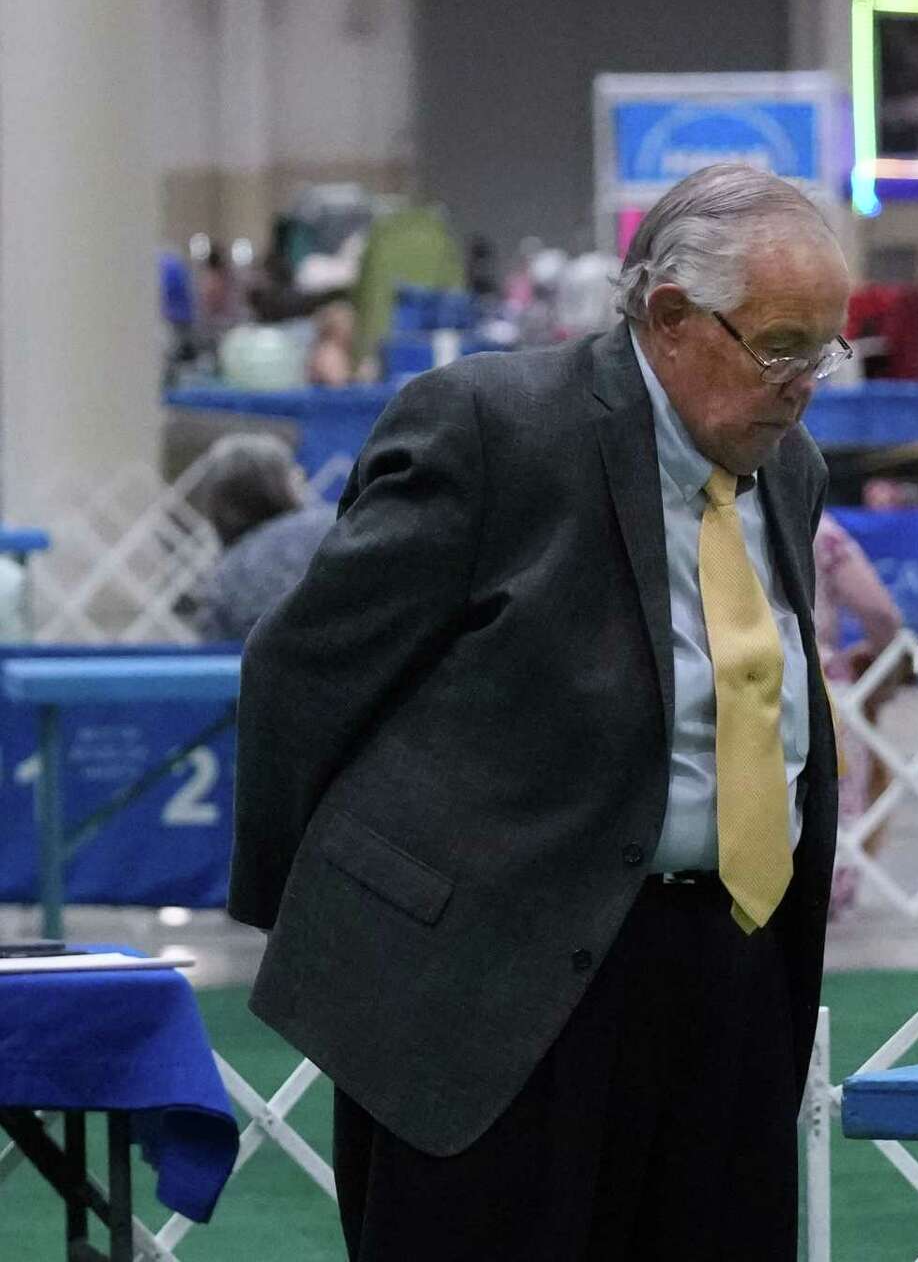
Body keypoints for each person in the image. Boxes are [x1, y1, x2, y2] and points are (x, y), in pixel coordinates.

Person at [229, 164, 853, 1260]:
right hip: (493, 989)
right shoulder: (490, 423)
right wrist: (348, 928)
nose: (805, 380)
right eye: (781, 344)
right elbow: (305, 671)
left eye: (824, 349)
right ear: (669, 314)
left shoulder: (786, 465)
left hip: (728, 971)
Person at [811, 513, 904, 916]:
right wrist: (884, 673)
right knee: (835, 815)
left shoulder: (695, 512)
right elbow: (880, 613)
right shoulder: (820, 528)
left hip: (720, 687)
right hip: (819, 688)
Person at [187, 434, 334, 642]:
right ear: (275, 483)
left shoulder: (226, 576)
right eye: (292, 468)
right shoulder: (334, 525)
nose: (301, 474)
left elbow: (213, 647)